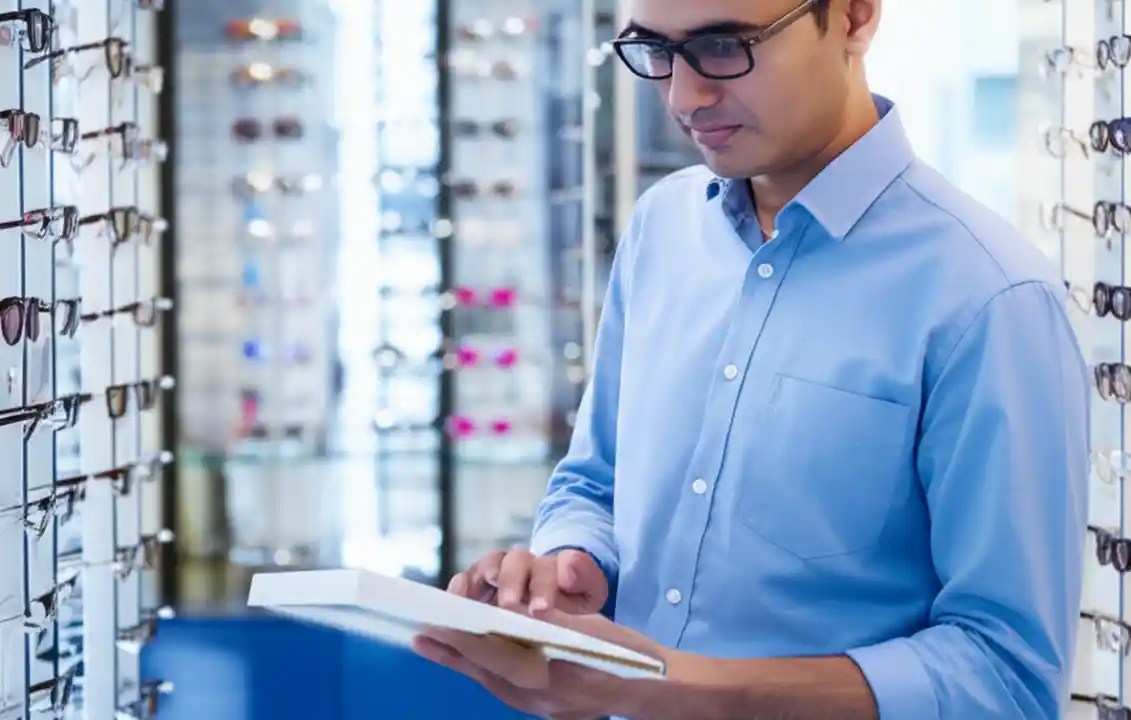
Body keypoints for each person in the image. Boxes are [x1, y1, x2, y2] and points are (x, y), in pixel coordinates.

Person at [412, 0, 1090, 717]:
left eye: (724, 46)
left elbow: (1005, 678)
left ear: (856, 18)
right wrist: (572, 562)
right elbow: (596, 480)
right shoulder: (662, 230)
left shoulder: (990, 298)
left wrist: (680, 688)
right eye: (656, 50)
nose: (684, 95)